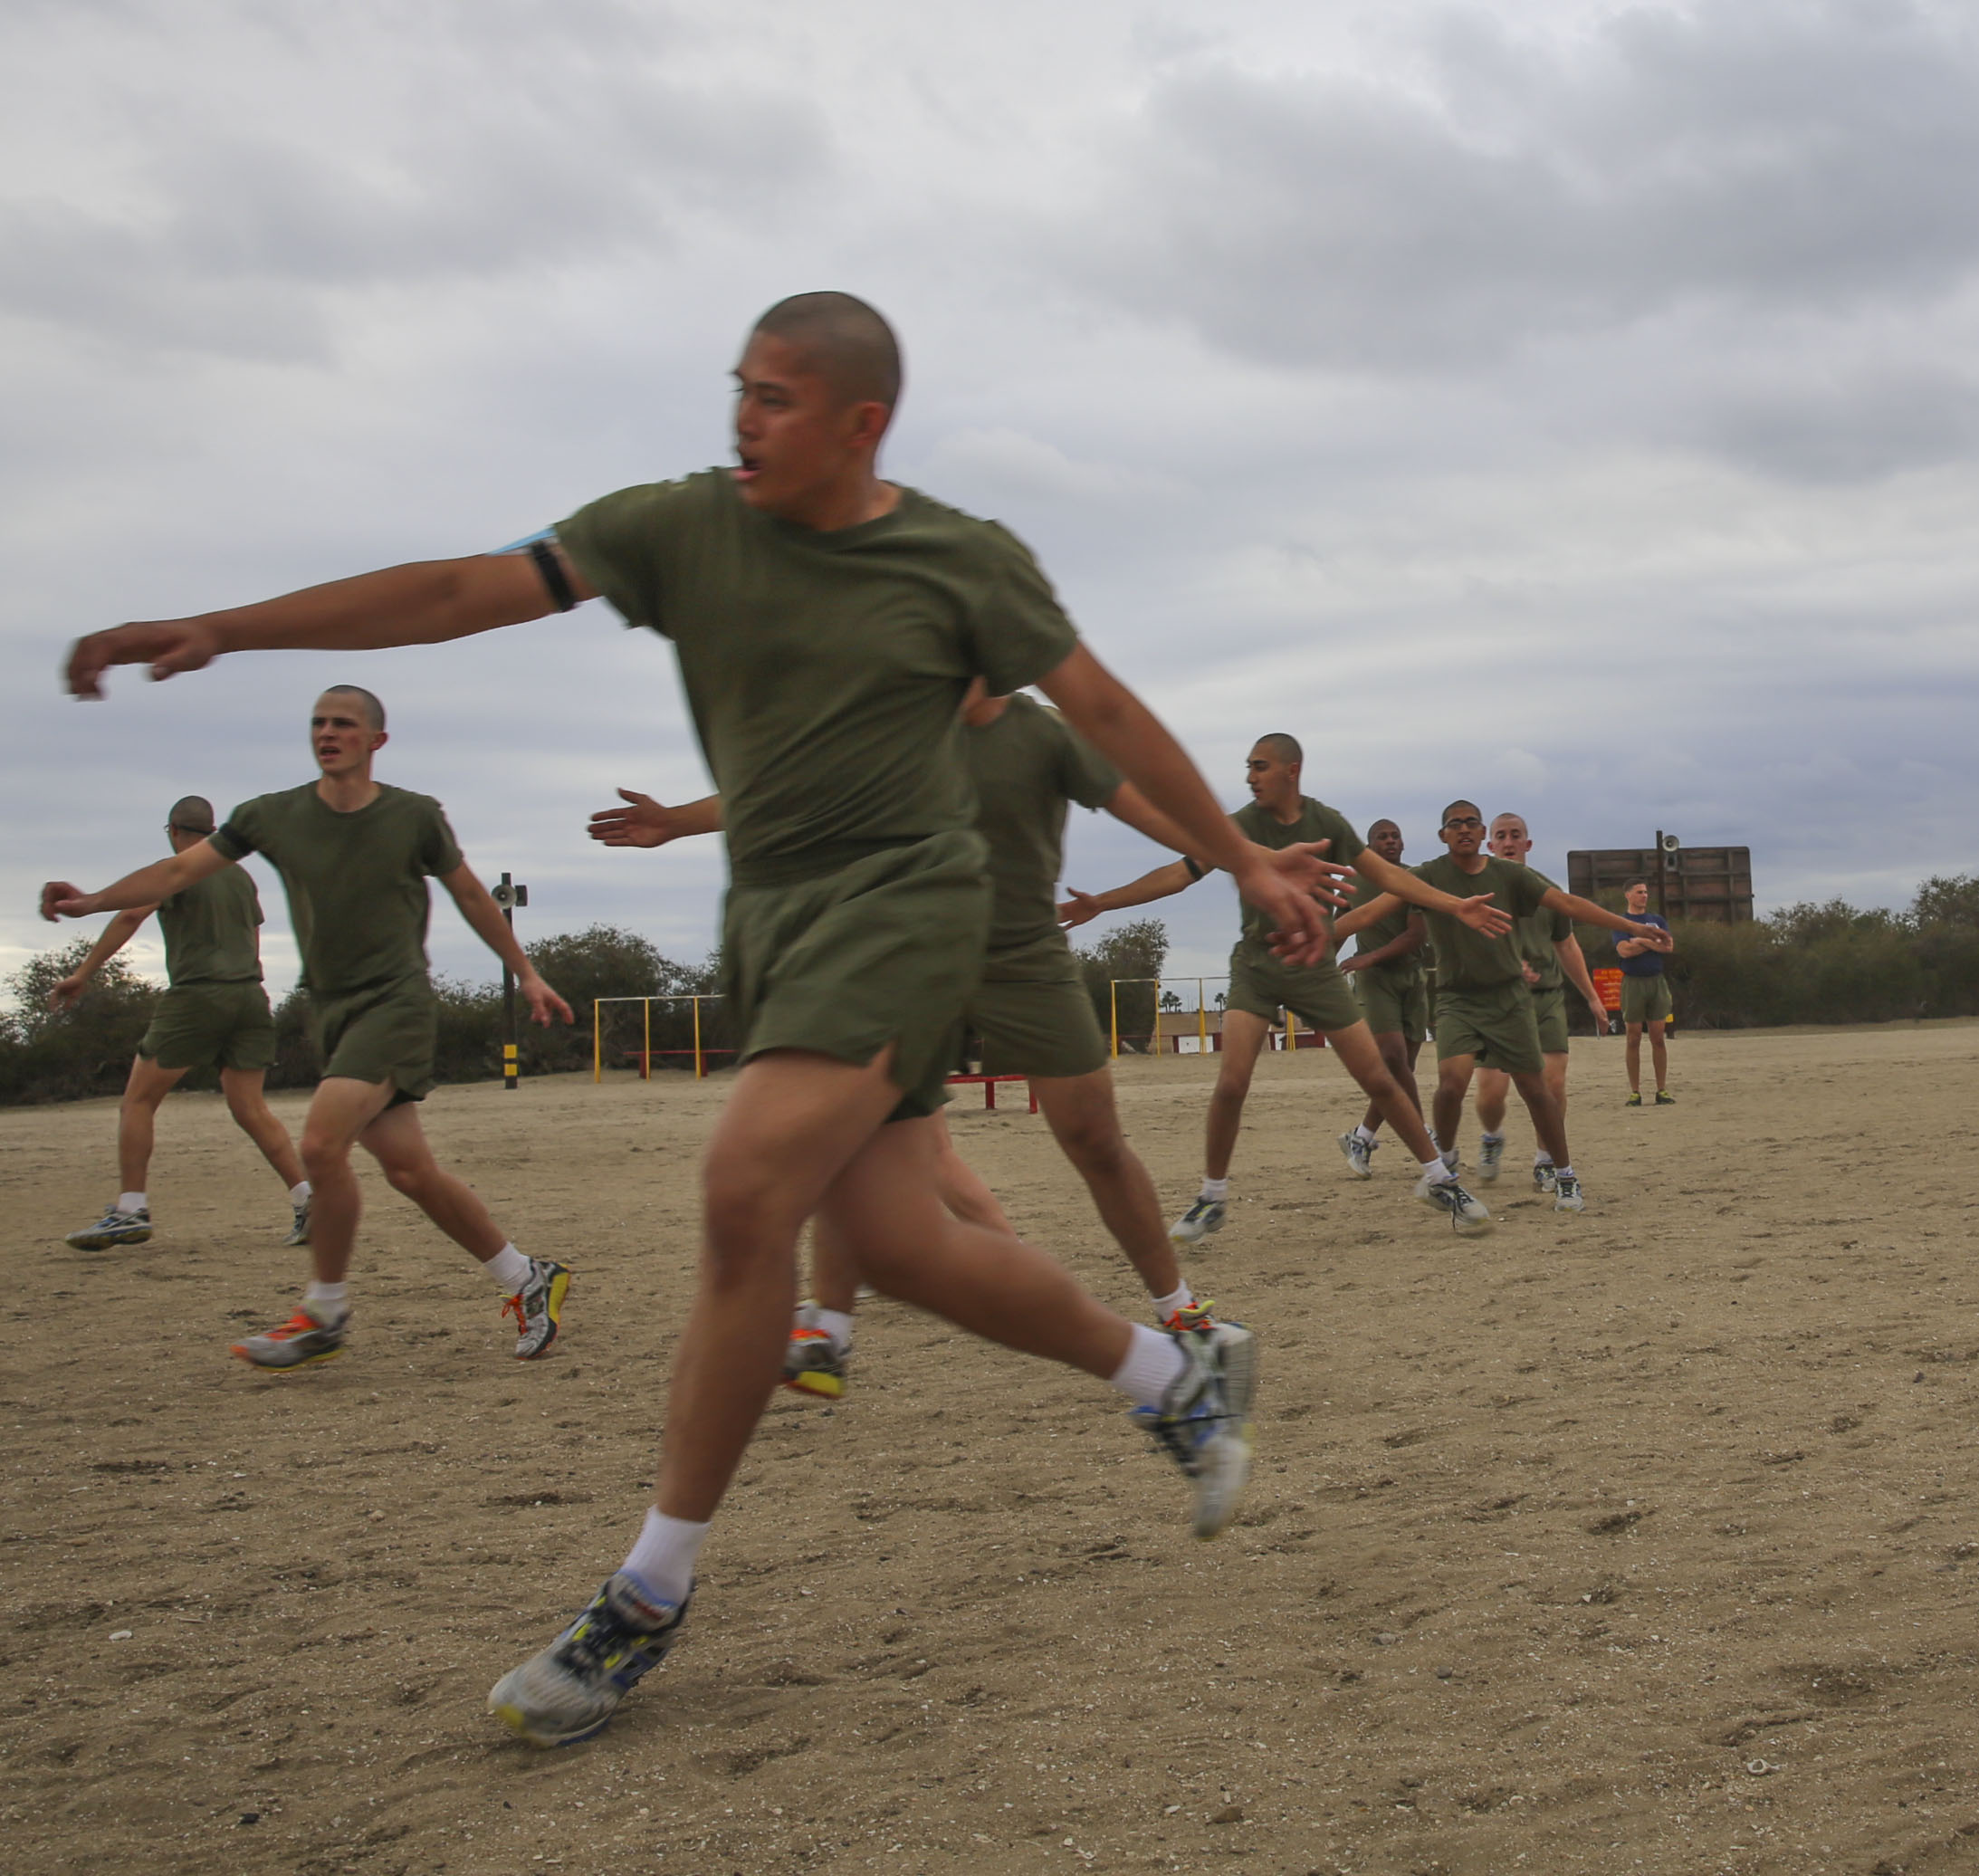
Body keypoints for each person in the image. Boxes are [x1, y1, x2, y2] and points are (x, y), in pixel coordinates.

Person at [62, 292, 1337, 1747]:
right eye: (738, 388)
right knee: (906, 1244)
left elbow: (1102, 707)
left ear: (862, 425)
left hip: (913, 912)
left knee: (743, 1193)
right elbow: (452, 595)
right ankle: (1173, 1382)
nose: (743, 418)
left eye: (778, 398)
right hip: (775, 928)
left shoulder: (959, 560)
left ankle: (642, 1598)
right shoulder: (677, 527)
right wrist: (228, 628)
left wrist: (1235, 855)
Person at [588, 681, 1227, 1401]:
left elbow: (1156, 807)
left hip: (1018, 954)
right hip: (907, 952)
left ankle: (1181, 1314)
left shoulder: (1044, 730)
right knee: (852, 1133)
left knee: (1094, 1140)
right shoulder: (884, 721)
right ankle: (828, 1334)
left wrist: (1252, 865)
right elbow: (786, 792)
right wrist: (674, 821)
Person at [43, 691, 577, 1369]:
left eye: (343, 724)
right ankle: (528, 1277)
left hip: (396, 1002)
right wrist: (90, 900)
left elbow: (470, 892)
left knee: (321, 1144)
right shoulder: (270, 816)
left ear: (376, 741)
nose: (328, 733)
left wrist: (525, 972)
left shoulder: (414, 816)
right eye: (319, 723)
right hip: (330, 1011)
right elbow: (178, 870)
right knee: (411, 1173)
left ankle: (323, 1312)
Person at [1061, 734, 1506, 1241]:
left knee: (1382, 1079)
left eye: (1260, 766)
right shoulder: (1240, 826)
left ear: (1291, 770)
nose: (1250, 776)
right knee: (1231, 1084)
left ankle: (1438, 1180)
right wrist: (1102, 902)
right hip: (1257, 963)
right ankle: (1212, 1197)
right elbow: (1179, 874)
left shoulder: (1328, 823)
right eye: (1248, 768)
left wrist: (1455, 905)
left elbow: (1388, 877)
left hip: (1315, 966)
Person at [1334, 801, 1671, 1214]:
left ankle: (1563, 1173)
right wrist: (1310, 943)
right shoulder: (1428, 876)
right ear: (1443, 835)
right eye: (1453, 824)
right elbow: (1367, 913)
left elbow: (1570, 907)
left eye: (1471, 822)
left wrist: (1636, 927)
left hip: (1508, 999)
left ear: (1481, 835)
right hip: (1457, 999)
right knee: (1450, 1085)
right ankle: (1447, 1164)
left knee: (1537, 1090)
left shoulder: (1511, 876)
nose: (1463, 829)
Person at [52, 795, 312, 1251]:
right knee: (250, 1108)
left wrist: (82, 973)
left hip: (197, 995)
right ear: (211, 831)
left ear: (173, 831)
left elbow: (132, 913)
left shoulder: (181, 869)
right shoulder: (241, 877)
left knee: (138, 1100)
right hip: (251, 996)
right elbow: (253, 935)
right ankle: (309, 1201)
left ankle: (130, 1210)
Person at [1471, 813, 1611, 1190]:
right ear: (1491, 845)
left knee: (1552, 1083)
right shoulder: (1478, 894)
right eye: (1501, 836)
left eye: (1516, 835)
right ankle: (1492, 1137)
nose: (1509, 841)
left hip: (1545, 998)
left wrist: (1593, 999)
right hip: (1495, 1001)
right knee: (1490, 1094)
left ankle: (1546, 1159)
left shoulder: (1548, 892)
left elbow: (1567, 946)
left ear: (1528, 845)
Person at [1334, 818, 1435, 1175]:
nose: (1390, 842)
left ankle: (1360, 1137)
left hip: (1412, 978)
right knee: (1392, 1058)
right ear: (1369, 846)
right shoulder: (1352, 883)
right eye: (1382, 837)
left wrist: (1369, 955)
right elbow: (1337, 930)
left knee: (1401, 1069)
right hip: (1375, 982)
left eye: (1395, 836)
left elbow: (1415, 936)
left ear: (1403, 844)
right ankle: (1424, 1134)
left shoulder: (1412, 879)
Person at [1615, 879, 1676, 1106]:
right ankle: (1635, 1091)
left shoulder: (1657, 920)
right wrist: (1651, 940)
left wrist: (1641, 940)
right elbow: (1624, 951)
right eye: (1639, 892)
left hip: (1656, 982)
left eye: (1646, 892)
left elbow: (1667, 946)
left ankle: (1661, 1090)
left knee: (1658, 1037)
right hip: (1633, 983)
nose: (1644, 896)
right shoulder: (1623, 922)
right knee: (1633, 1037)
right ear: (1628, 895)